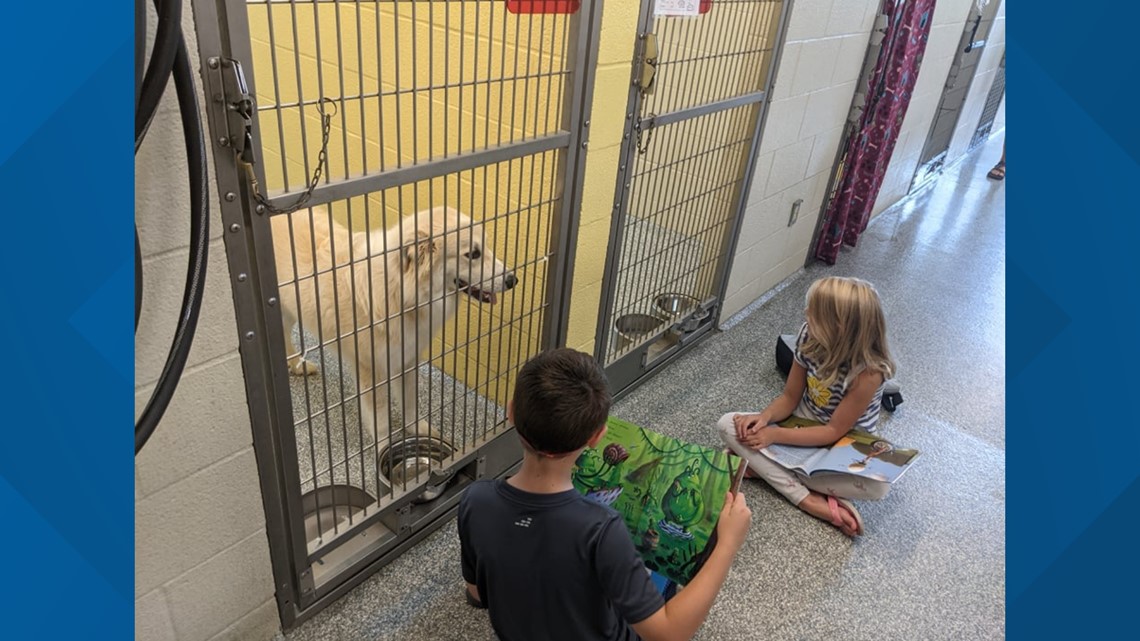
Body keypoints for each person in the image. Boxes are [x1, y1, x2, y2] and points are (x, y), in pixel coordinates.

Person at [459, 348, 752, 641]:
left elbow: (477, 594)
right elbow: (669, 634)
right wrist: (728, 544)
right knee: (660, 571)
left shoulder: (475, 500)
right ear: (598, 436)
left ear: (510, 412)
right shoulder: (603, 529)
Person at [716, 276, 897, 537]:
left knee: (879, 487)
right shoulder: (807, 335)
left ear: (839, 326)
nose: (806, 313)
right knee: (728, 424)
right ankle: (808, 496)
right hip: (803, 421)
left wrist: (775, 436)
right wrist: (764, 418)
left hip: (842, 442)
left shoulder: (869, 372)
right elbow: (790, 397)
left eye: (814, 311)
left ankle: (781, 480)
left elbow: (834, 431)